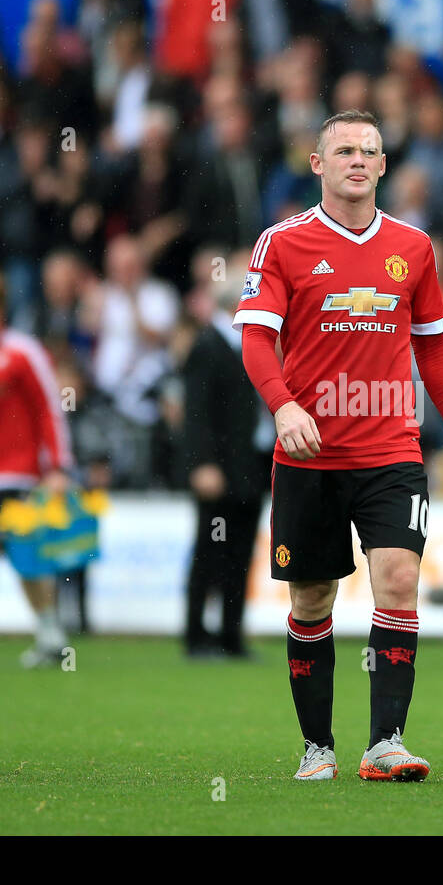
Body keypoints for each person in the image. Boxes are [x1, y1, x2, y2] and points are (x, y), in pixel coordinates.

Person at [234, 109, 443, 782]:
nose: (357, 160)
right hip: (309, 454)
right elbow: (256, 336)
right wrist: (284, 406)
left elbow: (433, 343)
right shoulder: (280, 244)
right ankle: (318, 746)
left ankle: (386, 743)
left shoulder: (414, 246)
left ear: (382, 165)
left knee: (398, 583)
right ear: (317, 163)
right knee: (312, 601)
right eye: (343, 149)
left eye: (369, 151)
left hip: (391, 450)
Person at [0, 268, 74, 667]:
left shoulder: (23, 351)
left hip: (19, 473)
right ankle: (52, 634)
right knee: (24, 559)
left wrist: (58, 467)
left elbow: (48, 411)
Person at [181, 264, 272, 658]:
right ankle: (197, 633)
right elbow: (195, 413)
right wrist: (201, 463)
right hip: (220, 468)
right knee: (209, 550)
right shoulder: (209, 346)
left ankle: (231, 634)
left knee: (240, 552)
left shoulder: (244, 344)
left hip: (249, 465)